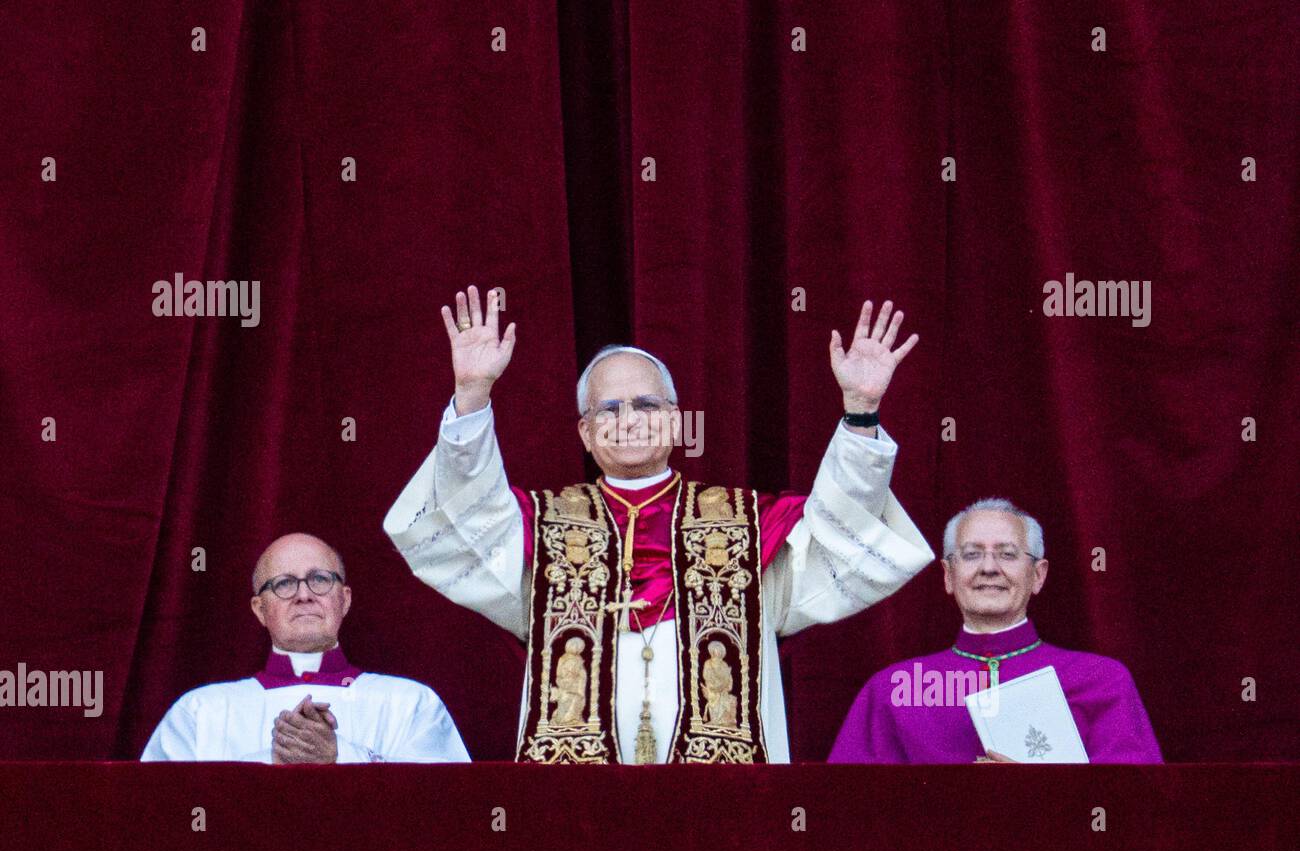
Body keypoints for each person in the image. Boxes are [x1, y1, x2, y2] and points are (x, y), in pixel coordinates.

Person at [383, 284, 934, 764]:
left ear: (675, 421)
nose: (628, 421)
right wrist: (472, 396)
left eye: (647, 405)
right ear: (584, 432)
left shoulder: (747, 529)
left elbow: (843, 536)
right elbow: (464, 523)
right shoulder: (541, 531)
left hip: (721, 799)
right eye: (609, 408)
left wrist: (861, 410)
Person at [827, 498, 1163, 763]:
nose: (989, 568)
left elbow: (1135, 809)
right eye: (972, 554)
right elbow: (851, 811)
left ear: (1038, 575)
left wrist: (1043, 793)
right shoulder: (892, 690)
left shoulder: (1101, 681)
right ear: (948, 575)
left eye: (1007, 554)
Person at [141, 533, 470, 763]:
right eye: (284, 583)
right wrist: (275, 758)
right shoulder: (200, 711)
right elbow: (163, 812)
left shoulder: (412, 703)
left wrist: (341, 756)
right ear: (259, 609)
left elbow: (442, 808)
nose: (304, 594)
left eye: (320, 579)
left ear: (344, 599)